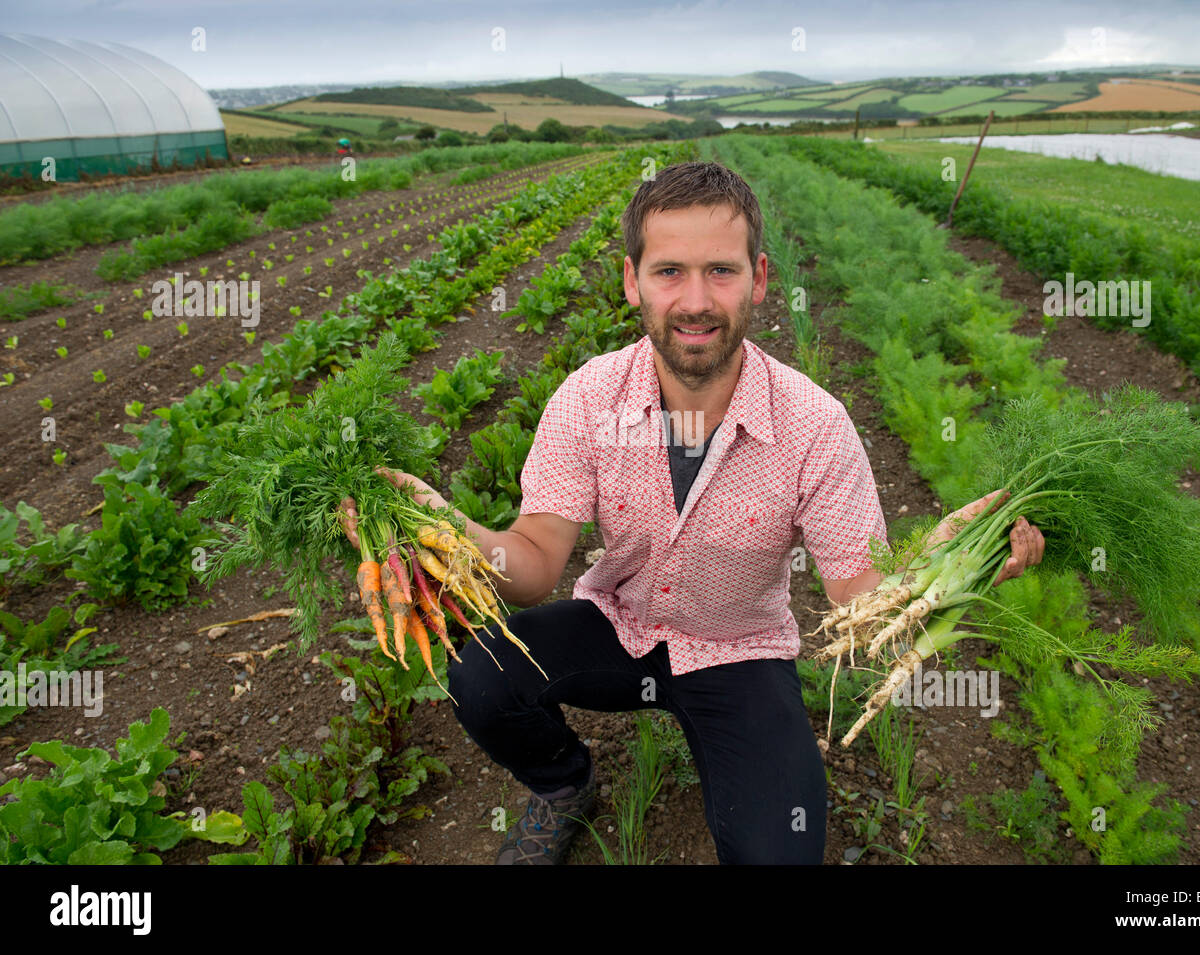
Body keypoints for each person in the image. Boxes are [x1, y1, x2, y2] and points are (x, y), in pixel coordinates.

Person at [340, 160, 1044, 865]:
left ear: (760, 278)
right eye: (670, 271)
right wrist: (445, 527)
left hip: (739, 648)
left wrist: (950, 561)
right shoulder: (589, 399)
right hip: (619, 625)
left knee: (782, 852)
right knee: (481, 675)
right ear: (631, 281)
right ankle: (564, 784)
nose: (696, 299)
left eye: (722, 271)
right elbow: (531, 562)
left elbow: (858, 594)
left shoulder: (815, 425)